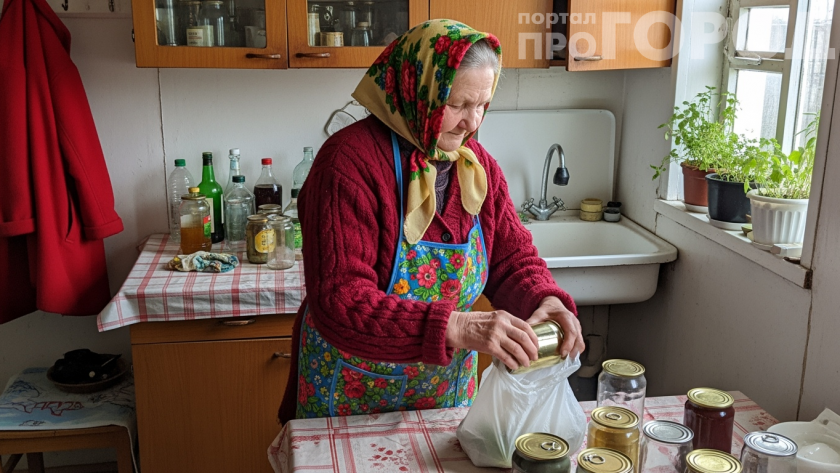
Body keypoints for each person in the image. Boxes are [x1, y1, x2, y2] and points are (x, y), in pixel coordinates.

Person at [278, 19, 584, 423]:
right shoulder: (348, 164)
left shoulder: (479, 169)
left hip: (443, 399)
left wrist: (543, 299)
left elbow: (511, 260)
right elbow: (341, 299)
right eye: (456, 105)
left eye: (481, 105)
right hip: (348, 399)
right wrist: (458, 328)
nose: (471, 123)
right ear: (415, 90)